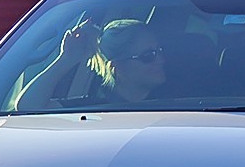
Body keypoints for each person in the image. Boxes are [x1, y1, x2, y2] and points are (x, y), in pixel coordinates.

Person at [11, 17, 165, 111]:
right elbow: (27, 105)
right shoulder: (93, 109)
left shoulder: (182, 98)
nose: (161, 60)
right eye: (148, 56)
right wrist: (67, 59)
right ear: (117, 68)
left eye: (160, 50)